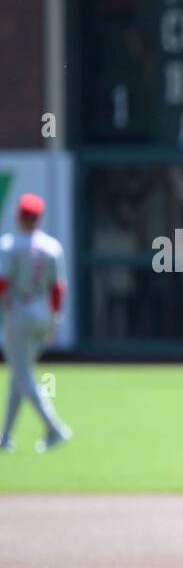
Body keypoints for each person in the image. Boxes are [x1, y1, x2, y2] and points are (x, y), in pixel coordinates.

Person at [0, 193, 72, 453]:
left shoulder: (9, 245)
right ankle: (5, 436)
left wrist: (6, 303)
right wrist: (54, 318)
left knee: (23, 376)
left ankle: (54, 428)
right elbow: (58, 288)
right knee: (19, 375)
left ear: (19, 215)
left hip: (19, 310)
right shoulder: (51, 246)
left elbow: (2, 283)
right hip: (43, 310)